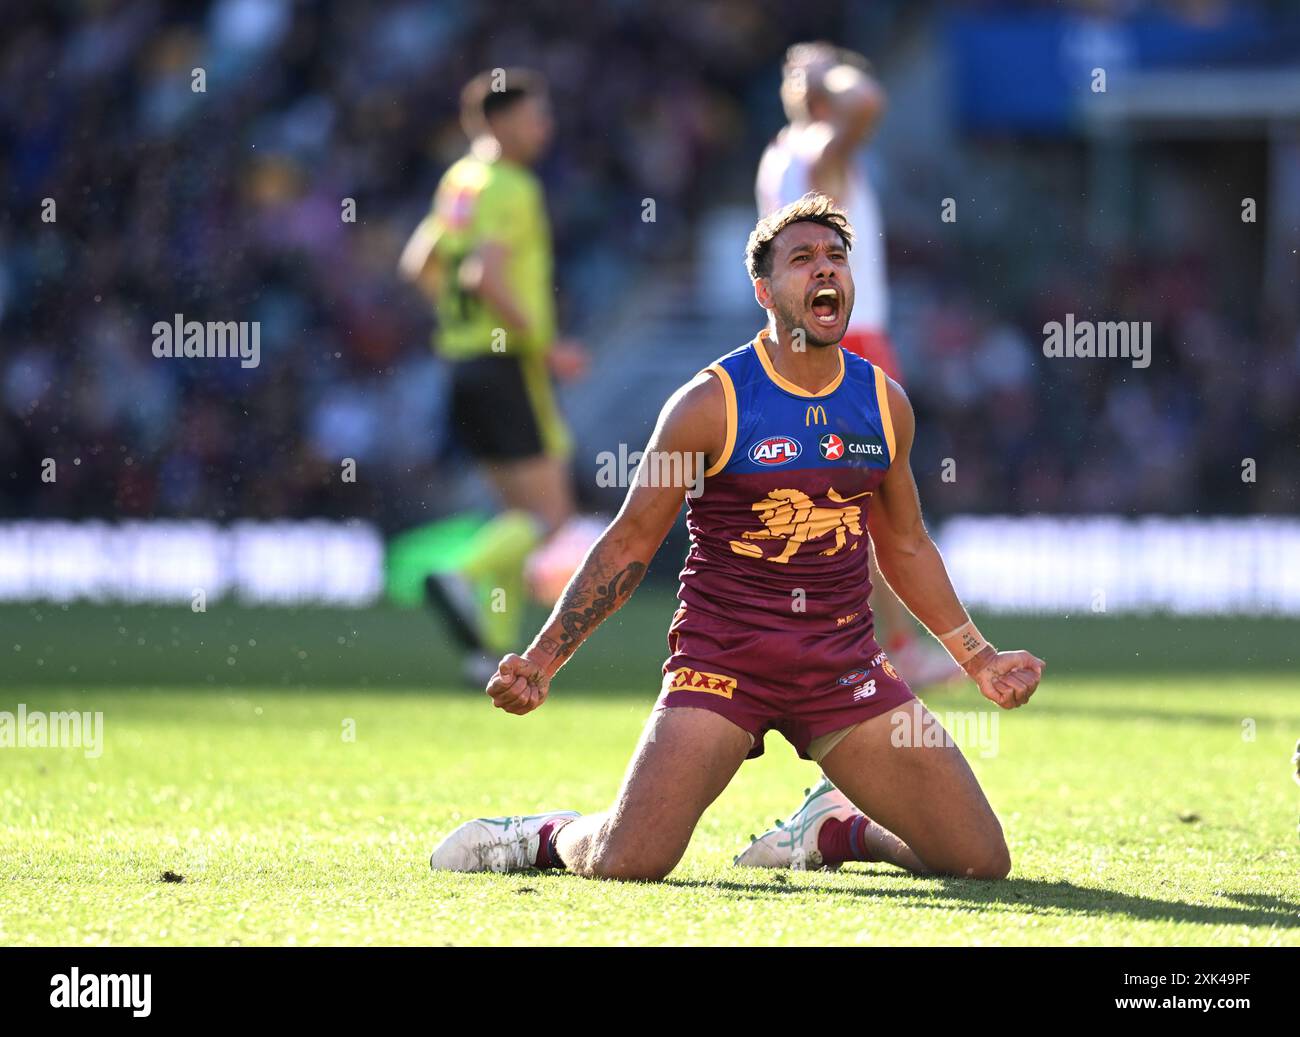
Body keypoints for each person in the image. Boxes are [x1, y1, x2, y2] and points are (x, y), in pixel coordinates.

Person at [429, 194, 1044, 880]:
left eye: (837, 258)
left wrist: (978, 657)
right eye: (802, 259)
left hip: (842, 667)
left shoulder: (883, 401)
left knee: (979, 859)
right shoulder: (706, 403)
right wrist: (543, 657)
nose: (825, 272)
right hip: (724, 663)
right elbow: (630, 543)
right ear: (763, 290)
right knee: (627, 862)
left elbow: (904, 545)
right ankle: (543, 835)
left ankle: (838, 829)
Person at [757, 41, 959, 689]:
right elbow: (868, 100)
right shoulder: (820, 148)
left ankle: (847, 642)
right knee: (879, 505)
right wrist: (834, 76)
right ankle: (890, 649)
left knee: (848, 502)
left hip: (808, 337)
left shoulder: (779, 152)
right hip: (850, 339)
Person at [399, 68, 587, 682]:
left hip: (461, 363)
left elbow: (420, 263)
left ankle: (488, 653)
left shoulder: (461, 182)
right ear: (502, 123)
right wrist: (544, 343)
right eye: (537, 116)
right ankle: (461, 574)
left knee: (517, 514)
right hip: (507, 364)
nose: (546, 128)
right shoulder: (511, 187)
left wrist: (460, 329)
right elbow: (485, 275)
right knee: (550, 516)